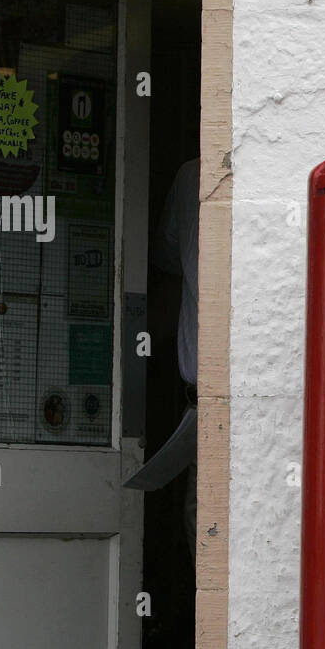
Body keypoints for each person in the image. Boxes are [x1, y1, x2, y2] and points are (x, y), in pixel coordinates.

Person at [152, 156, 200, 553]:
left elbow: (166, 263)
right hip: (200, 406)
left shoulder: (191, 176)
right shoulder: (192, 179)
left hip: (206, 402)